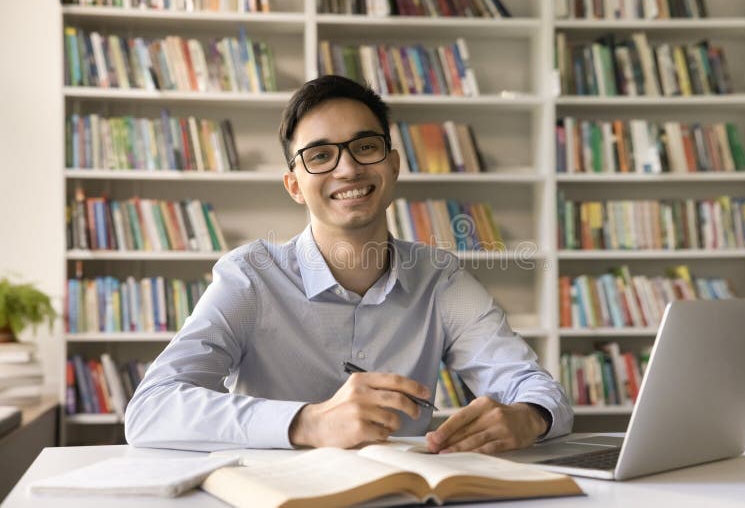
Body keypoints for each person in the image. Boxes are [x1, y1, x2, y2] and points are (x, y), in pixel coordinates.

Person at [124, 75, 573, 454]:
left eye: (365, 146)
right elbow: (151, 409)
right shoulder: (250, 278)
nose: (347, 169)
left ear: (392, 165)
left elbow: (535, 388)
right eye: (320, 155)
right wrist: (308, 422)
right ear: (294, 185)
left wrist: (528, 418)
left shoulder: (440, 278)